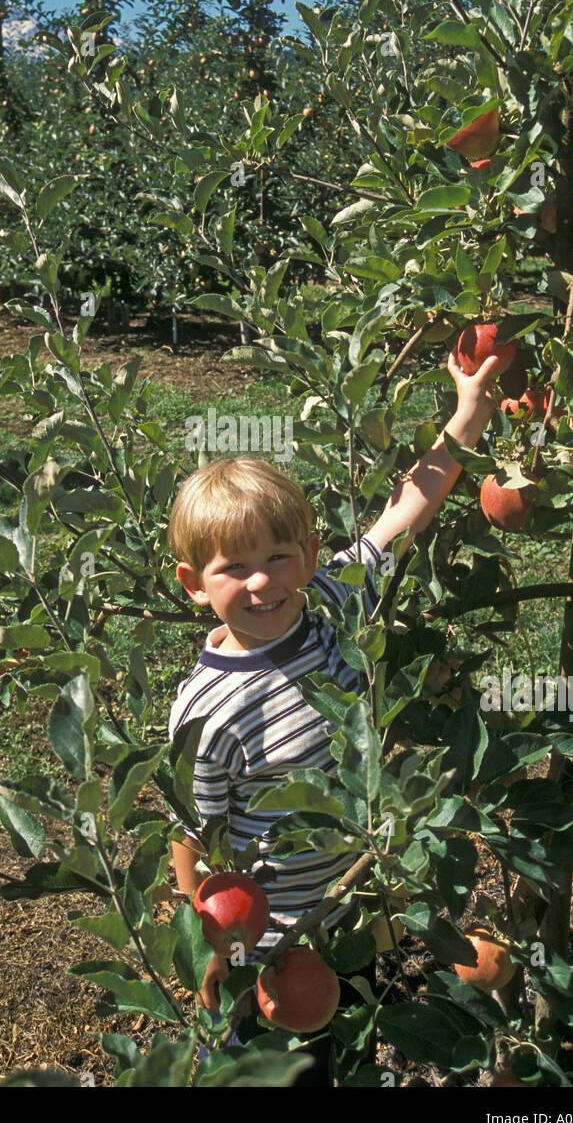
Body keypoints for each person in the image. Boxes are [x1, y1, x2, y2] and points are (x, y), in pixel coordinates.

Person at [166, 347, 500, 1083]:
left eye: (280, 557)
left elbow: (407, 510)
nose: (262, 581)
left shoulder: (329, 602)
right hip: (273, 939)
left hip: (352, 898)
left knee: (352, 1038)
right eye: (232, 568)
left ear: (312, 556)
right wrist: (205, 949)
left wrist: (466, 415)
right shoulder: (206, 710)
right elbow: (192, 837)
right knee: (285, 1067)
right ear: (195, 585)